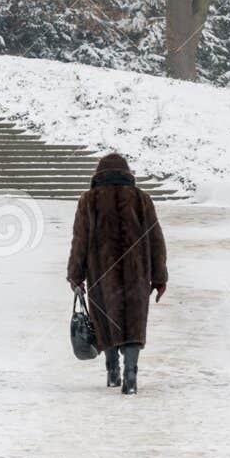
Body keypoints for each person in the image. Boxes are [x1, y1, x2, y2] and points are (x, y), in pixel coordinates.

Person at [67, 151, 168, 395]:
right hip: (137, 273)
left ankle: (112, 369)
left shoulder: (88, 200)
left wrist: (75, 273)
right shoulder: (142, 199)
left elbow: (80, 240)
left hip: (101, 273)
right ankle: (131, 373)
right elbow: (156, 239)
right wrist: (160, 276)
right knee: (133, 323)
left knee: (105, 319)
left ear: (98, 175)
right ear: (127, 174)